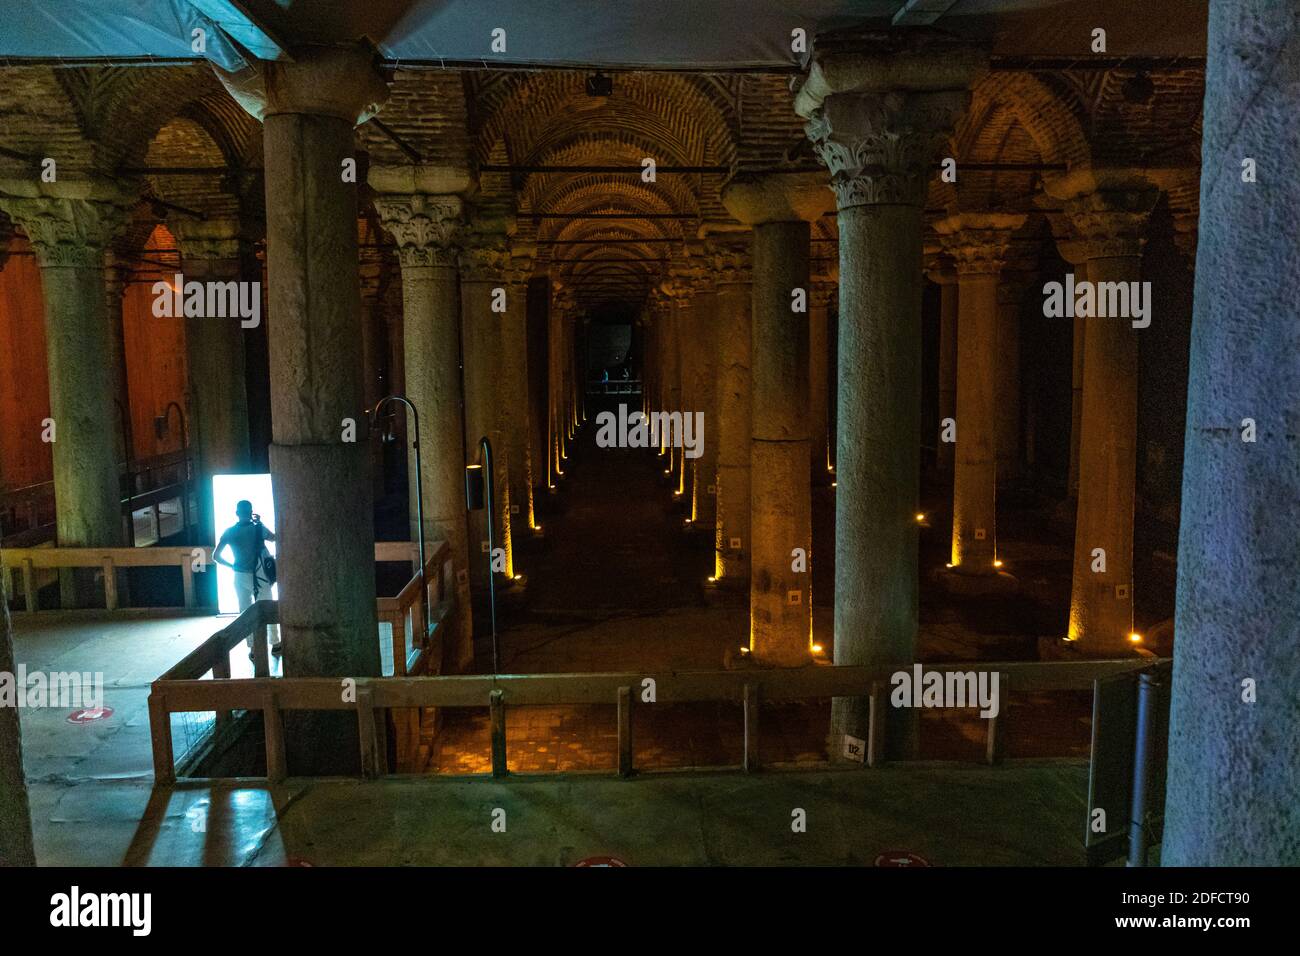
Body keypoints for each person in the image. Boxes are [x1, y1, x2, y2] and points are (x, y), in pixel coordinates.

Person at [213, 500, 280, 658]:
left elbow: (216, 556)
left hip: (239, 576)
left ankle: (252, 648)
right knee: (268, 607)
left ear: (237, 513)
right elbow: (275, 538)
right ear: (251, 512)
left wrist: (233, 566)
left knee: (245, 612)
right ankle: (276, 644)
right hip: (260, 576)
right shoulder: (259, 529)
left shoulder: (229, 532)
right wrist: (260, 523)